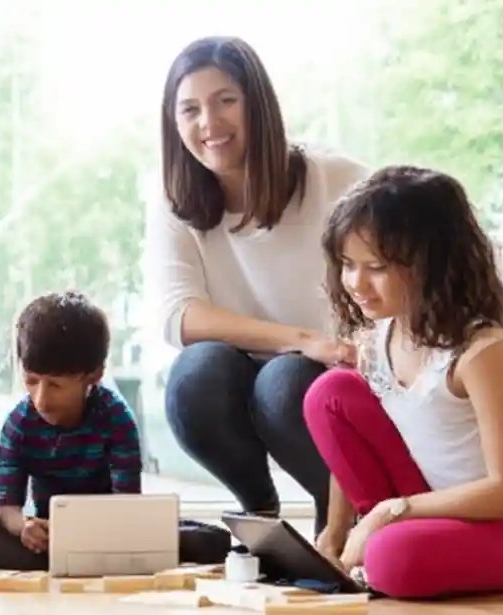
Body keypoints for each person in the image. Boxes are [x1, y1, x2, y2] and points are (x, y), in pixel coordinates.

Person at [302, 166, 503, 599]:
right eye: (348, 265)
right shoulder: (380, 334)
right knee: (330, 393)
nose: (356, 284)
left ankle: (383, 548)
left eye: (376, 267)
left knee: (391, 558)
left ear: (431, 265)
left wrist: (388, 515)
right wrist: (333, 535)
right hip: (443, 508)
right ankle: (369, 547)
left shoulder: (483, 351)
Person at [145, 36, 369, 532]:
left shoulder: (335, 179)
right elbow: (177, 317)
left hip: (330, 378)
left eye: (226, 101)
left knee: (285, 380)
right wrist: (300, 339)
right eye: (190, 110)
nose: (209, 123)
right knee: (194, 374)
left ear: (257, 105)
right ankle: (259, 513)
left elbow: (415, 255)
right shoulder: (173, 199)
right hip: (254, 369)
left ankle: (340, 516)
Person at [0, 291, 231, 571]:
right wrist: (25, 527)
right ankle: (77, 556)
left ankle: (74, 557)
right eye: (31, 381)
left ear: (94, 375)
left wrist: (101, 534)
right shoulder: (19, 425)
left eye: (56, 385)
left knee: (212, 541)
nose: (41, 400)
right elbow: (6, 508)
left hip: (112, 532)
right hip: (51, 534)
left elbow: (127, 504)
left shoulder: (116, 418)